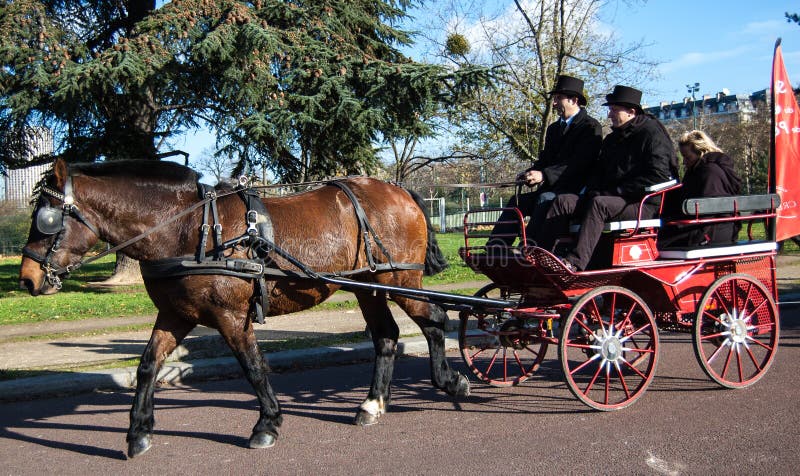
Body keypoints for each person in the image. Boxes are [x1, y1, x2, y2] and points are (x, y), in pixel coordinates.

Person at [532, 85, 679, 271]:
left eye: (614, 110)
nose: (609, 115)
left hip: (640, 202)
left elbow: (657, 176)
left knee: (599, 204)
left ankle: (575, 262)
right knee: (563, 201)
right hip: (609, 197)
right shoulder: (612, 139)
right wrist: (592, 189)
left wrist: (615, 191)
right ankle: (543, 256)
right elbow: (598, 170)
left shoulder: (652, 135)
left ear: (631, 112)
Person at [487, 75, 602, 249]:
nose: (554, 103)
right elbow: (545, 159)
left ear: (573, 100)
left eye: (558, 98)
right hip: (552, 188)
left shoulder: (591, 127)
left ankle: (531, 249)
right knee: (517, 201)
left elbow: (579, 164)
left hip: (576, 192)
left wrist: (544, 175)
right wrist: (530, 173)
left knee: (544, 198)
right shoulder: (554, 129)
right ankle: (495, 248)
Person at [657, 130, 742, 248]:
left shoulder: (709, 172)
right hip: (719, 228)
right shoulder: (702, 170)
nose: (684, 162)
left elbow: (708, 209)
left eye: (687, 157)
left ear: (701, 152)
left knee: (656, 240)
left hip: (711, 231)